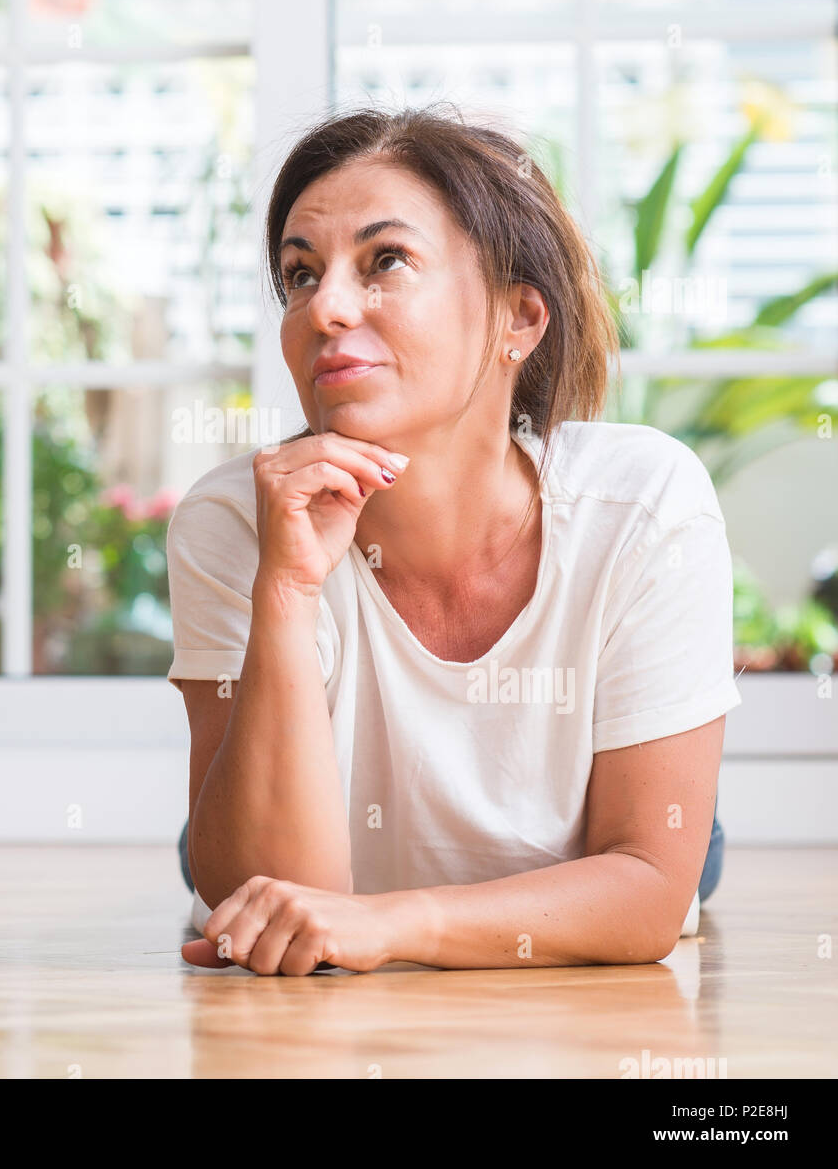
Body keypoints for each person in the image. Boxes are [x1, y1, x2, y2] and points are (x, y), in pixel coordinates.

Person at [165, 105, 738, 976]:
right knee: (215, 855)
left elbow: (648, 892)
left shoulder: (644, 502)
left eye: (384, 260)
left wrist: (391, 926)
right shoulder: (235, 520)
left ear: (518, 319)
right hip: (309, 814)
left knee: (688, 845)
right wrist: (286, 590)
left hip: (575, 831)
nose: (324, 307)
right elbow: (278, 900)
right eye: (298, 274)